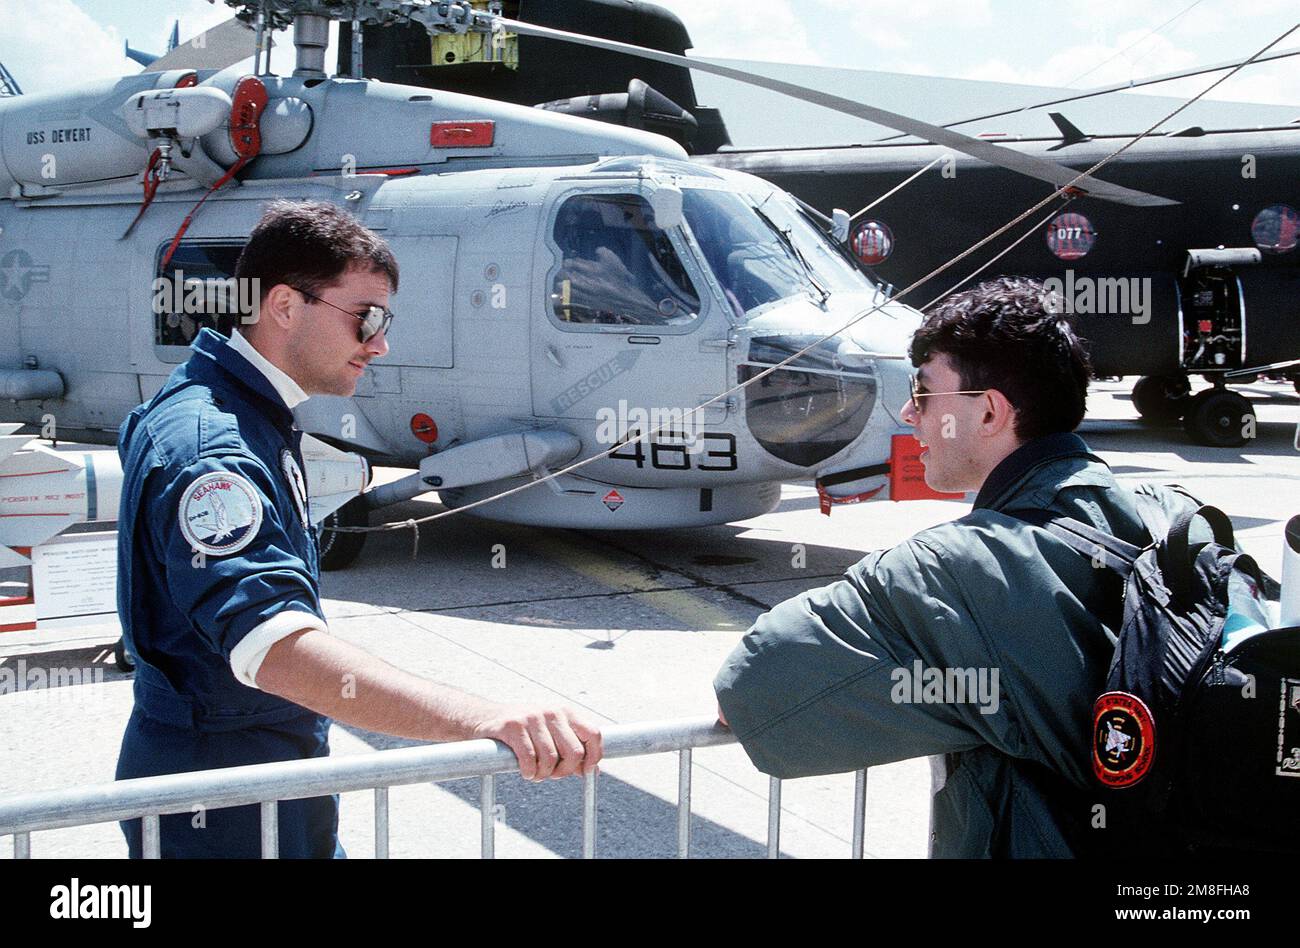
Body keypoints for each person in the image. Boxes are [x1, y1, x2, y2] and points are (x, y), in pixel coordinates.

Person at [116, 201, 602, 858]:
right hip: (225, 799)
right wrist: (483, 719)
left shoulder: (233, 414)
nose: (380, 344)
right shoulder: (215, 449)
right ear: (285, 307)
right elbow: (276, 649)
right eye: (365, 318)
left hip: (266, 775)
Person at [713, 276, 1200, 858]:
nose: (906, 414)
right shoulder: (1173, 516)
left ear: (991, 411)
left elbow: (752, 687)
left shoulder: (953, 572)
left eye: (922, 396)